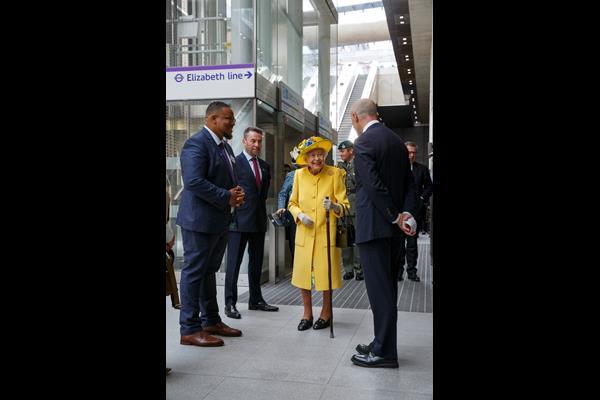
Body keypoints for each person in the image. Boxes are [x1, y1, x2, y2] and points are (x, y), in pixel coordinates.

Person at [349, 99, 417, 368]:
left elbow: (373, 186)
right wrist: (406, 215)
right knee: (388, 288)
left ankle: (384, 353)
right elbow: (410, 184)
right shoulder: (397, 142)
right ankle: (382, 341)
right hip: (395, 232)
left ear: (355, 116)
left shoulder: (364, 143)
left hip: (376, 228)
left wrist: (393, 215)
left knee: (380, 292)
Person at [176, 101, 245, 347]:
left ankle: (211, 320)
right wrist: (227, 196)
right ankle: (190, 328)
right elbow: (194, 181)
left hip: (219, 220)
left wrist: (236, 194)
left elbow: (223, 179)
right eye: (228, 118)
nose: (233, 122)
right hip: (199, 221)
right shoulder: (196, 143)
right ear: (212, 119)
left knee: (208, 272)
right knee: (194, 273)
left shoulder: (224, 146)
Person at [287, 136, 350, 331]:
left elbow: (346, 206)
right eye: (313, 155)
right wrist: (299, 216)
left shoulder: (335, 174)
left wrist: (334, 206)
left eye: (320, 155)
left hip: (326, 234)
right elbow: (292, 203)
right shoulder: (298, 176)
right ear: (306, 158)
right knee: (303, 276)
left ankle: (326, 313)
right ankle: (307, 314)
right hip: (304, 234)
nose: (317, 159)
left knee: (326, 277)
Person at [224, 127, 279, 319]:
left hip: (257, 221)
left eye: (259, 141)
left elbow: (262, 195)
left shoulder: (264, 166)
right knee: (234, 264)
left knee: (256, 263)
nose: (257, 145)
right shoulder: (234, 163)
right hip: (237, 223)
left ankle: (255, 300)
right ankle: (230, 303)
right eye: (253, 141)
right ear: (244, 141)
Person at [398, 141, 433, 282]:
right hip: (400, 214)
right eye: (408, 152)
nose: (411, 155)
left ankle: (412, 271)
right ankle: (398, 272)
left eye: (413, 152)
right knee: (399, 245)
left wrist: (421, 198)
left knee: (412, 245)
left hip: (415, 213)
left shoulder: (422, 169)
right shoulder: (396, 169)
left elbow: (429, 187)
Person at [336, 140, 363, 281]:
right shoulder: (338, 167)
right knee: (343, 238)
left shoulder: (359, 165)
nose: (341, 153)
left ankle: (359, 269)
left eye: (343, 151)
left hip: (357, 205)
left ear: (351, 151)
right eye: (340, 151)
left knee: (358, 239)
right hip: (342, 207)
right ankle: (348, 270)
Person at [275, 150, 302, 261]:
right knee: (294, 239)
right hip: (294, 212)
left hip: (309, 212)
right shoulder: (292, 175)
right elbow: (283, 193)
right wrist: (281, 207)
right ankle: (295, 262)